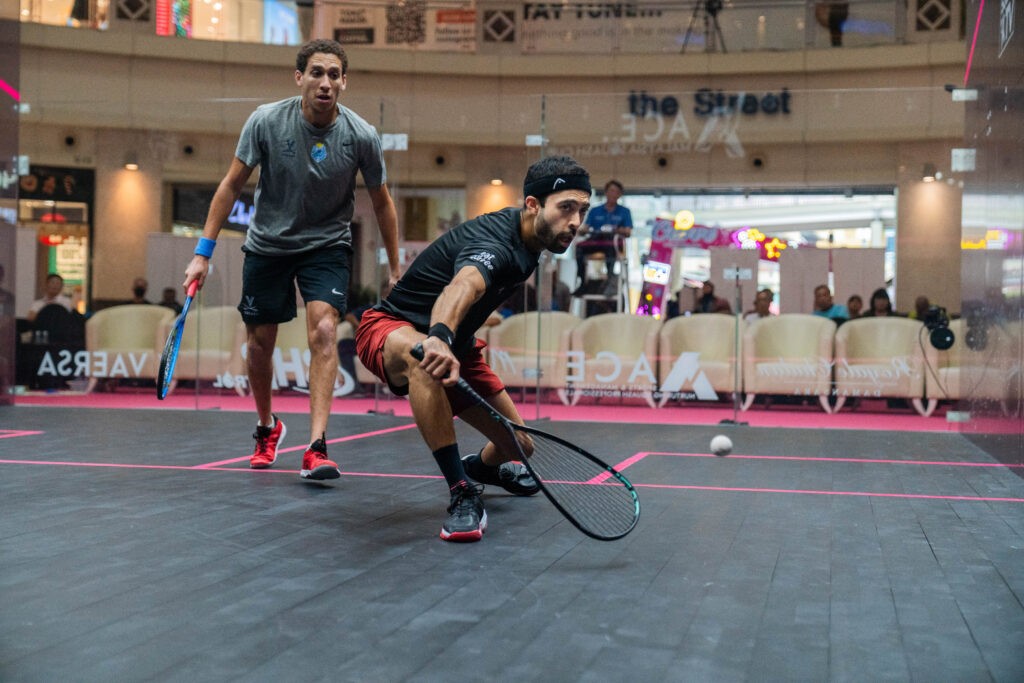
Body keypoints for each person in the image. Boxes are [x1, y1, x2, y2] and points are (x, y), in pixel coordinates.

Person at [183, 38, 401, 479]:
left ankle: (316, 446)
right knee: (259, 344)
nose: (325, 83)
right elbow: (230, 185)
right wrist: (201, 253)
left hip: (327, 245)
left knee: (324, 330)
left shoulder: (361, 135)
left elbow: (382, 202)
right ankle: (268, 426)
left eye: (334, 75)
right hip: (268, 245)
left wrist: (396, 269)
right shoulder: (265, 121)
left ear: (344, 82)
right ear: (299, 77)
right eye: (317, 73)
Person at [355, 154, 591, 543]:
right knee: (424, 358)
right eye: (566, 207)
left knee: (521, 446)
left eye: (582, 210)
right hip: (391, 330)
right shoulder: (495, 242)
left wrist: (453, 339)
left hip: (458, 347)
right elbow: (463, 285)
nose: (576, 221)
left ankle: (480, 468)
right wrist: (439, 336)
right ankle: (462, 491)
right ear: (533, 204)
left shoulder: (532, 243)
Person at [574, 179, 632, 294]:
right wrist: (580, 229)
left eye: (616, 192)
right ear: (606, 192)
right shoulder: (595, 211)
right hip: (596, 241)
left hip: (613, 242)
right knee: (579, 247)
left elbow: (628, 232)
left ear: (620, 194)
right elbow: (585, 228)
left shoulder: (625, 212)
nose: (613, 194)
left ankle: (610, 281)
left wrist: (615, 229)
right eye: (611, 191)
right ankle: (582, 282)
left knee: (611, 250)